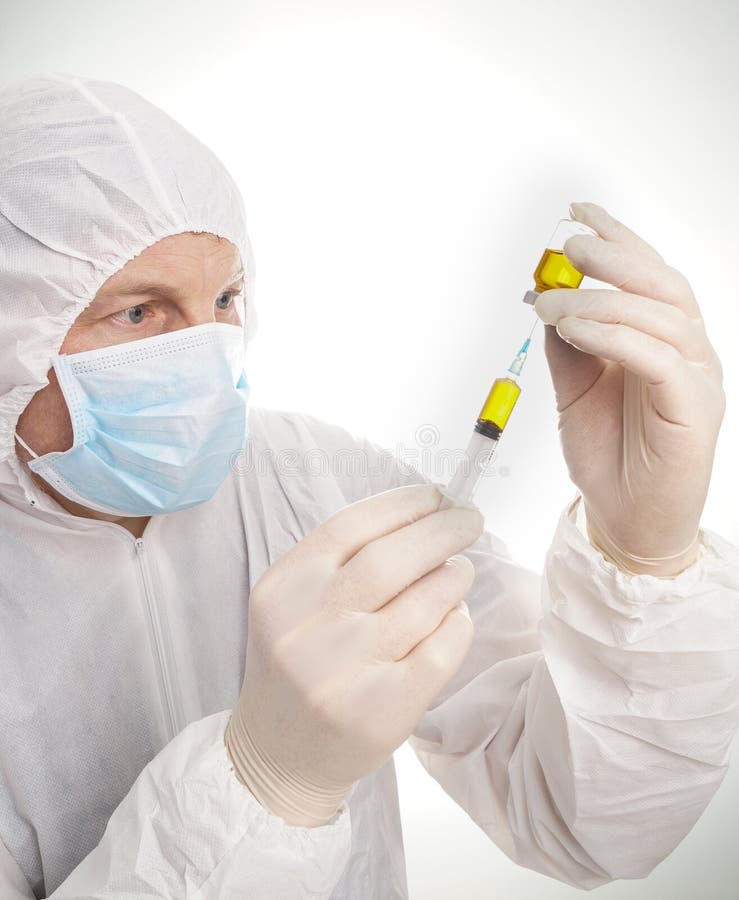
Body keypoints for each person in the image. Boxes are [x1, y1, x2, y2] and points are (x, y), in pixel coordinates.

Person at [0, 72, 738, 900]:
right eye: (139, 312)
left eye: (224, 299)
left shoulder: (313, 481)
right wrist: (267, 783)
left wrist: (643, 555)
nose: (207, 354)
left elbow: (584, 822)